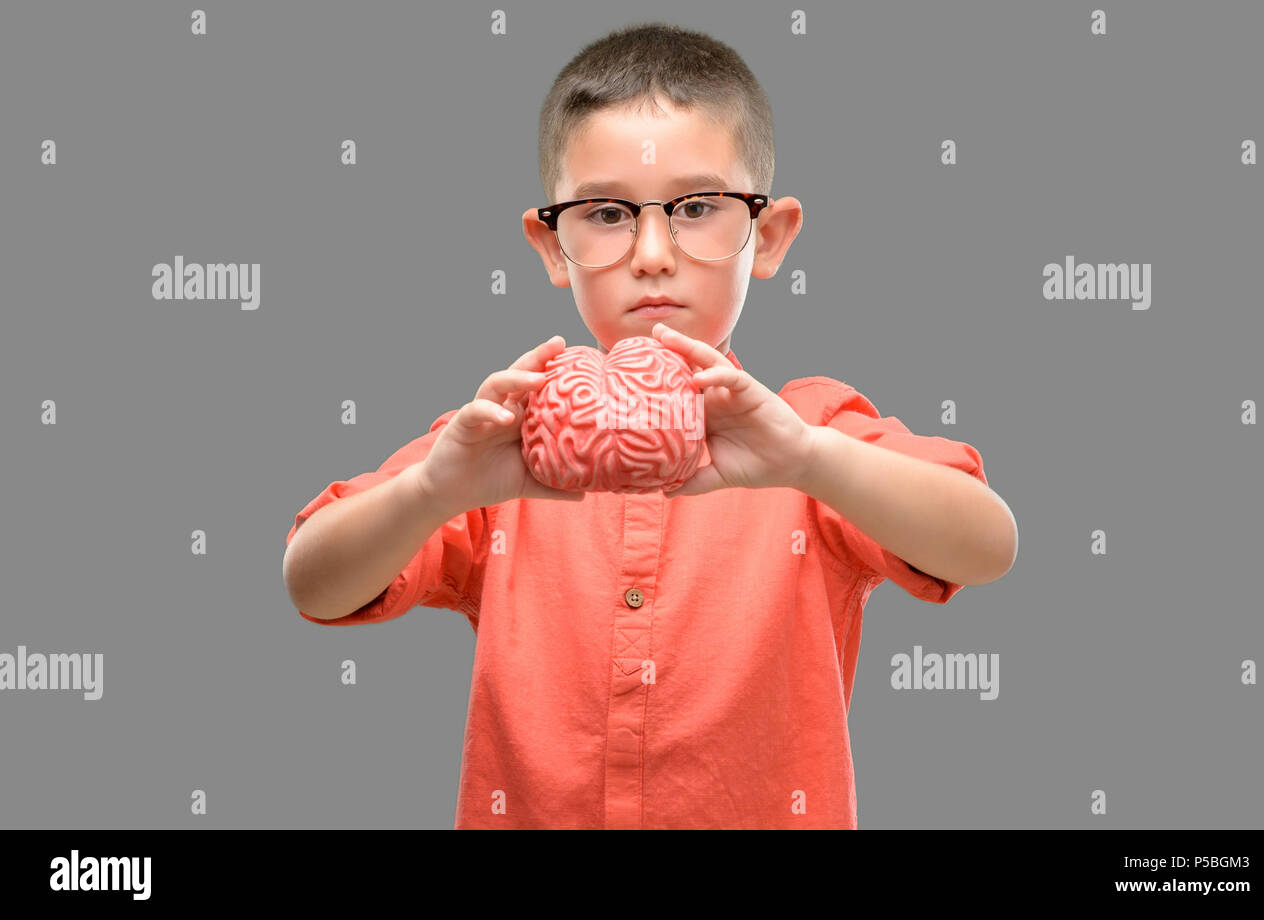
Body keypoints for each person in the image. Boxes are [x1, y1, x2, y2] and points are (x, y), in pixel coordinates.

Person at [282, 22, 1017, 829]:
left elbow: (985, 545)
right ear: (552, 246)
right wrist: (429, 491)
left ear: (767, 236)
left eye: (698, 207)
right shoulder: (496, 441)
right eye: (607, 213)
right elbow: (314, 583)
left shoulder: (810, 432)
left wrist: (812, 460)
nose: (653, 253)